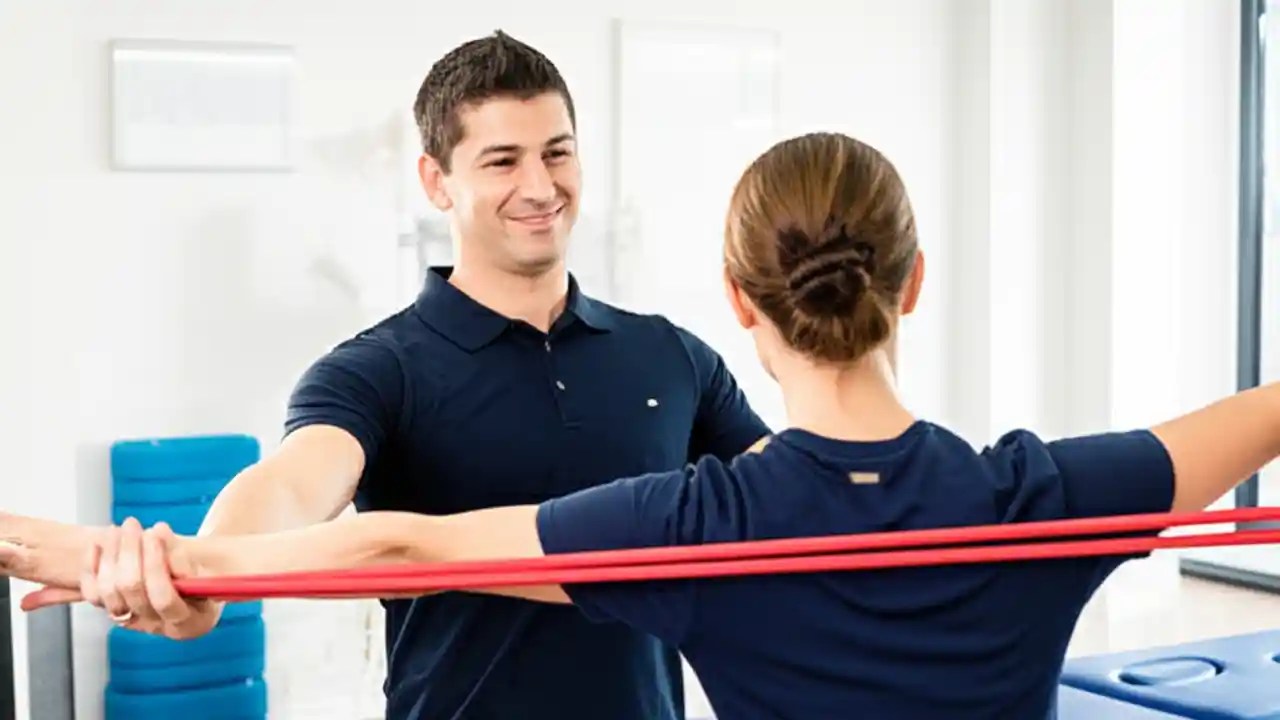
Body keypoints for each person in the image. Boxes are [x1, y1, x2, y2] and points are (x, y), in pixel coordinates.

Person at [58, 130, 1280, 718]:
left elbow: (399, 546)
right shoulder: (1046, 499)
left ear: (738, 301)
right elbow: (1256, 414)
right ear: (912, 282)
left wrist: (147, 561)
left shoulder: (703, 528)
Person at [4, 30, 770, 720]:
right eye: (502, 161)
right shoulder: (378, 370)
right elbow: (295, 484)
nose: (540, 187)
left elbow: (789, 499)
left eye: (557, 152)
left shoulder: (670, 355)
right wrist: (193, 576)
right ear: (436, 181)